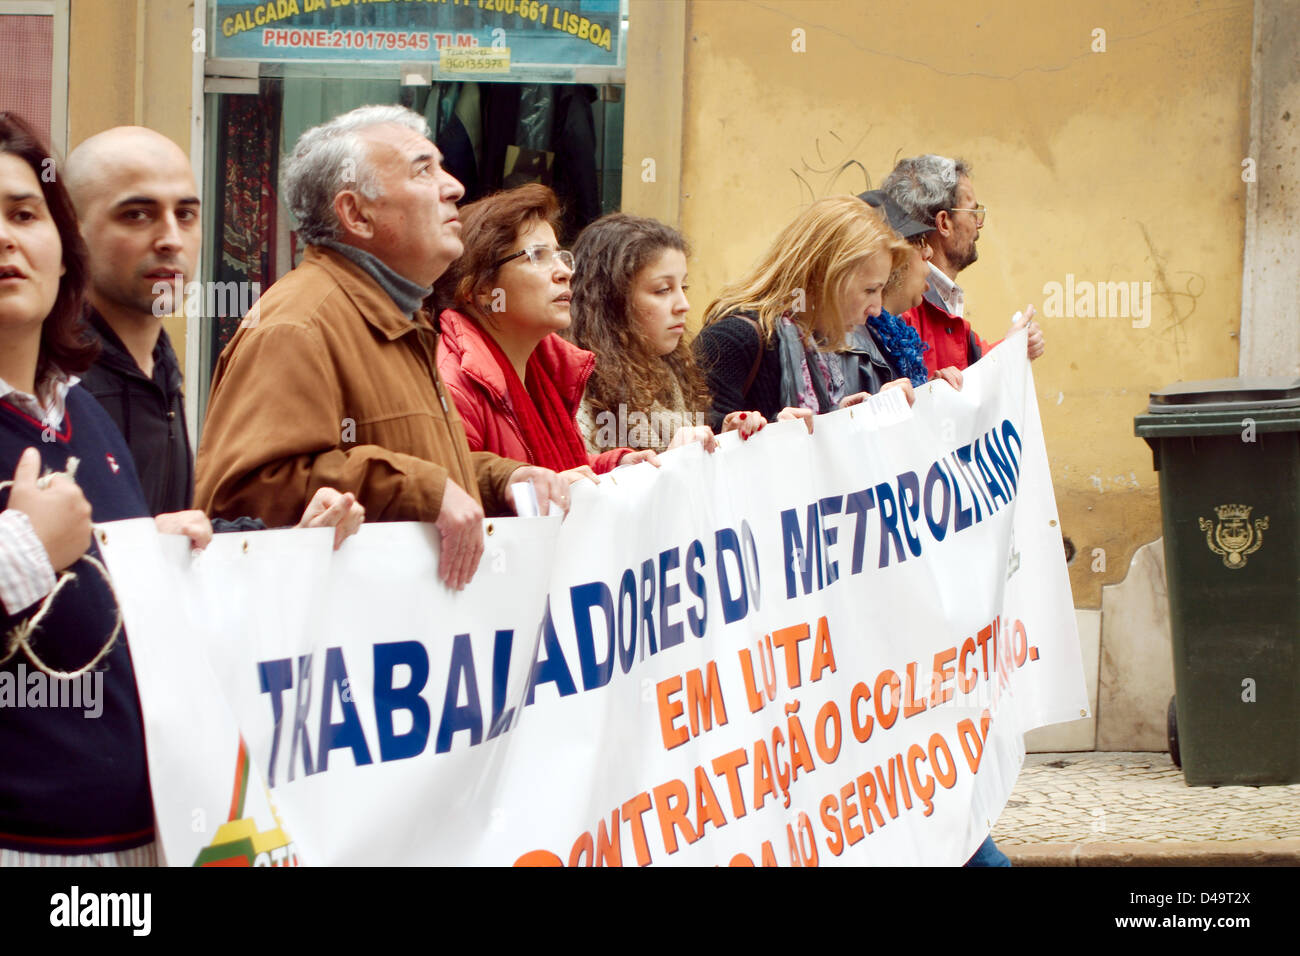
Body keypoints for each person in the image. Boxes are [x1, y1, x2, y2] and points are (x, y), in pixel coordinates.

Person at [194, 106, 567, 590]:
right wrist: (425, 490)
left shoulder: (397, 315)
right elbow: (241, 493)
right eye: (422, 170)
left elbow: (415, 460)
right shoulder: (298, 324)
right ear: (355, 213)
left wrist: (503, 479)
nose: (453, 186)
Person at [65, 126, 363, 549]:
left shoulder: (158, 364)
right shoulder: (48, 378)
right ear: (72, 234)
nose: (171, 239)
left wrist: (294, 540)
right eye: (137, 214)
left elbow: (181, 529)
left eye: (185, 215)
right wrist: (141, 544)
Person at [0, 111, 156, 863]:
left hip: (132, 841)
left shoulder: (84, 410)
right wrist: (24, 549)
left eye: (24, 213)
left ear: (63, 249)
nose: (6, 238)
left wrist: (186, 546)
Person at [432, 184, 659, 478]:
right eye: (537, 256)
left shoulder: (548, 368)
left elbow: (554, 470)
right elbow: (456, 499)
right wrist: (542, 494)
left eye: (560, 255)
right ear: (482, 289)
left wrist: (613, 467)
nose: (564, 272)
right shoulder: (451, 385)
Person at [694, 195, 916, 433]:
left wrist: (847, 416)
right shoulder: (732, 341)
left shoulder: (819, 339)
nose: (876, 308)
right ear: (824, 277)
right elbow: (695, 446)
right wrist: (774, 432)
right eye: (870, 290)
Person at [567, 213, 767, 453]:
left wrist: (727, 440)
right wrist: (674, 463)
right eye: (662, 290)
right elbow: (585, 484)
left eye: (683, 287)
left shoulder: (671, 373)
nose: (683, 304)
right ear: (612, 300)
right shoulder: (575, 388)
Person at [881, 155, 1044, 375]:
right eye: (973, 213)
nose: (979, 224)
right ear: (944, 223)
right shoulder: (903, 304)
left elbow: (969, 373)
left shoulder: (938, 296)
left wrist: (1012, 348)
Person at [844, 190, 963, 396]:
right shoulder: (854, 349)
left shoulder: (896, 339)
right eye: (918, 242)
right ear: (892, 260)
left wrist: (929, 394)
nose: (929, 252)